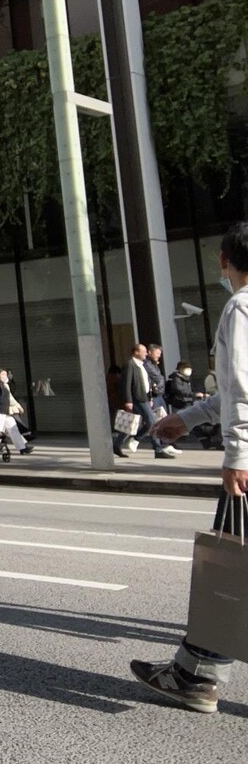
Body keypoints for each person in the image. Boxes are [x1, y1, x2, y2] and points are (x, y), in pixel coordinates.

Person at [130, 222, 248, 714]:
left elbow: (240, 387)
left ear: (225, 260)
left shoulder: (241, 306)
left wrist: (238, 455)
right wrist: (189, 416)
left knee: (230, 570)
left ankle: (195, 676)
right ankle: (194, 668)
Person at [119, 343, 175, 459]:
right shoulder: (130, 364)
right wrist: (128, 400)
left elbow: (147, 382)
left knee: (132, 422)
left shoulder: (141, 365)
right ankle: (158, 449)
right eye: (143, 351)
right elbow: (126, 384)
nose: (145, 353)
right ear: (136, 352)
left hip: (144, 398)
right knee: (152, 422)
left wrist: (149, 397)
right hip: (137, 398)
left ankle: (118, 444)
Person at [0, 368, 34, 455]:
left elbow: (10, 398)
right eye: (2, 374)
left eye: (5, 374)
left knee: (13, 428)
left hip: (5, 412)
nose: (5, 376)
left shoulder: (5, 386)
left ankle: (22, 447)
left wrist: (17, 406)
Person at [145, 343, 167, 420]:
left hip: (159, 394)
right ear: (150, 352)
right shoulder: (147, 363)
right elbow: (158, 378)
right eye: (157, 353)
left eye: (160, 354)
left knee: (162, 419)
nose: (159, 356)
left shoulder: (153, 364)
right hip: (154, 395)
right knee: (157, 420)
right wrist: (158, 385)